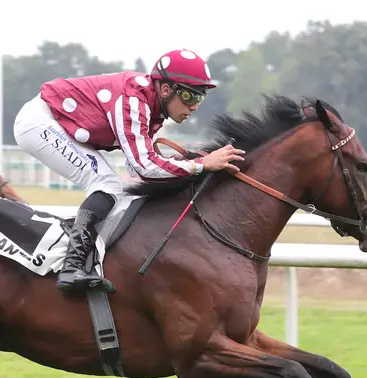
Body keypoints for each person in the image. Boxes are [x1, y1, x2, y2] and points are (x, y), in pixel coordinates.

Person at [13, 49, 246, 293]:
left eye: (200, 98)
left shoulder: (152, 106)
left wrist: (179, 164)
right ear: (166, 90)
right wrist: (201, 165)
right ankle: (72, 267)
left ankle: (92, 257)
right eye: (190, 96)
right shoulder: (134, 101)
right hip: (39, 122)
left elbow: (136, 165)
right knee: (107, 184)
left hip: (53, 121)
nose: (195, 106)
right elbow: (144, 167)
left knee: (117, 187)